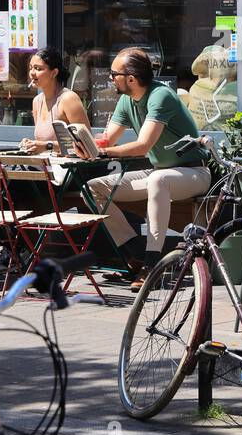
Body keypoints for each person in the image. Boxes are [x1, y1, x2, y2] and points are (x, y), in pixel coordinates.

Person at [86, 48, 212, 287]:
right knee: (93, 188)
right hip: (160, 172)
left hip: (194, 172)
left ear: (131, 78)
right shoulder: (126, 100)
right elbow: (107, 140)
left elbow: (143, 145)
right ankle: (135, 252)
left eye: (114, 74)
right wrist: (82, 143)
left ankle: (152, 262)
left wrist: (101, 151)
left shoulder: (160, 96)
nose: (110, 78)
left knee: (158, 180)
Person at [19, 47, 90, 155]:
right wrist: (31, 144)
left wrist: (47, 146)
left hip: (65, 168)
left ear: (54, 73)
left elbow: (86, 142)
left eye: (38, 69)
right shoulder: (37, 101)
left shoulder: (68, 98)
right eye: (31, 68)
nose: (32, 73)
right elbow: (41, 143)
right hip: (43, 166)